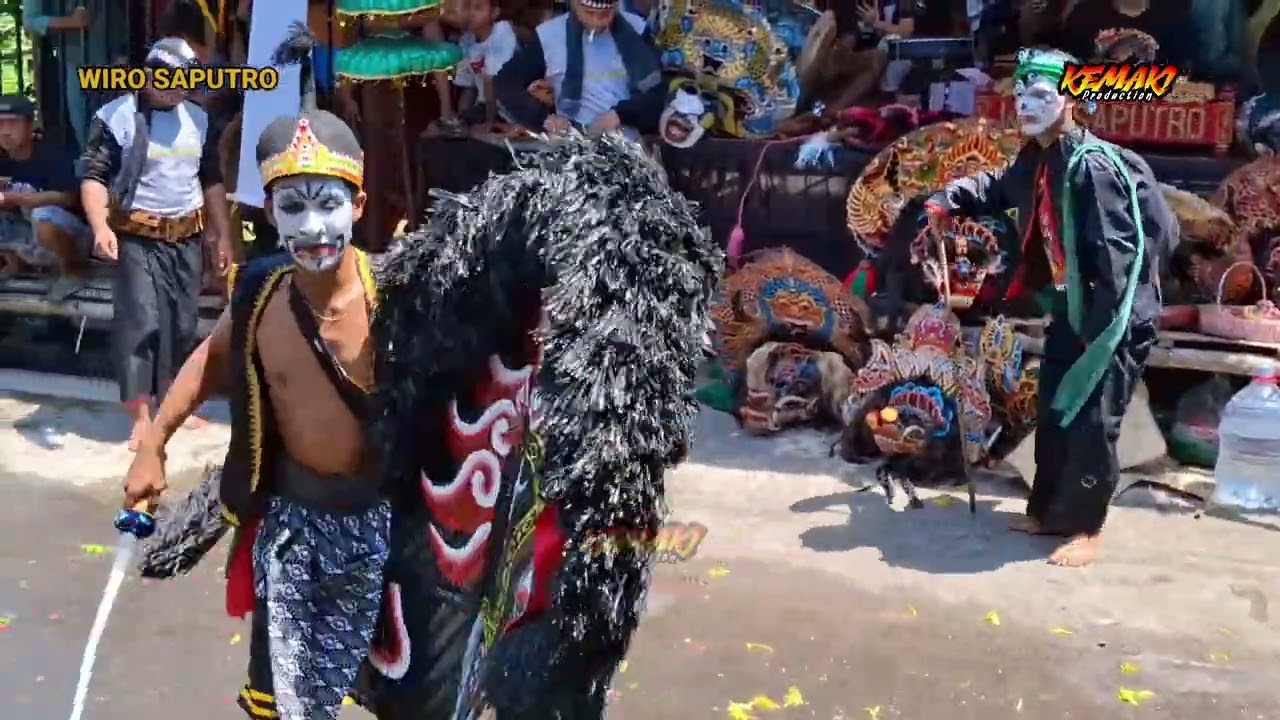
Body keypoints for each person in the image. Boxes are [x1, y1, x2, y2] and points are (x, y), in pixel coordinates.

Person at [122, 26, 382, 719]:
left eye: (327, 202)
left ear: (357, 207)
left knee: (409, 691)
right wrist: (153, 444)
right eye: (293, 206)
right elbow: (207, 362)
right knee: (283, 705)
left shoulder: (400, 300)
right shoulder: (262, 295)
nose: (313, 225)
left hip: (381, 525)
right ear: (270, 212)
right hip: (292, 523)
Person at [924, 47, 1176, 567]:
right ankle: (1047, 511)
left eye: (1040, 94)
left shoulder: (1092, 169)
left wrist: (1101, 336)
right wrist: (953, 196)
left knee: (1091, 419)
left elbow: (1113, 262)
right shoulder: (1039, 157)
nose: (1026, 104)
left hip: (1112, 317)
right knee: (1055, 410)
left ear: (1072, 100)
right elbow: (999, 186)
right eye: (1020, 94)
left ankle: (1086, 527)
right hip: (1073, 309)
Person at [80, 37, 234, 449]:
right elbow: (94, 177)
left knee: (182, 326)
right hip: (137, 236)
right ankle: (142, 417)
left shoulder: (199, 119)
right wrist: (101, 227)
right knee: (141, 324)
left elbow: (212, 179)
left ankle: (175, 403)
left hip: (187, 235)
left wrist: (223, 236)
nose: (175, 88)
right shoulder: (117, 117)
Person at [494, 0, 664, 136]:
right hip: (572, 146)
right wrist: (544, 119)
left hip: (627, 144)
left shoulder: (637, 29)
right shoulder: (550, 35)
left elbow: (658, 93)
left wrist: (619, 115)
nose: (598, 19)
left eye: (604, 13)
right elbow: (505, 83)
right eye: (590, 13)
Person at [0, 94, 94, 297]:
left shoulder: (52, 153)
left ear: (30, 124)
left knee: (43, 216)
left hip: (73, 236)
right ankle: (12, 263)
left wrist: (16, 198)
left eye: (12, 124)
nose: (5, 132)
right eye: (0, 125)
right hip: (26, 237)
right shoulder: (2, 157)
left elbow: (68, 198)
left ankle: (73, 272)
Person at [23, 0, 128, 150]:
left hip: (113, 56)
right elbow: (30, 20)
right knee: (84, 125)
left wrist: (123, 51)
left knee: (119, 122)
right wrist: (70, 22)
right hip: (76, 59)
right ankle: (90, 164)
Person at [799, 0, 919, 113]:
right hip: (851, 51)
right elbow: (848, 34)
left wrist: (876, 24)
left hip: (884, 52)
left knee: (884, 52)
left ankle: (834, 109)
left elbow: (907, 29)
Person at [453, 0, 520, 127]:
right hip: (484, 107)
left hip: (511, 107)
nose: (471, 13)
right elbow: (468, 88)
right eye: (467, 8)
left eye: (478, 8)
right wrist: (460, 119)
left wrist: (489, 124)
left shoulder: (503, 32)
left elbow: (491, 84)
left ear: (494, 12)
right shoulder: (466, 41)